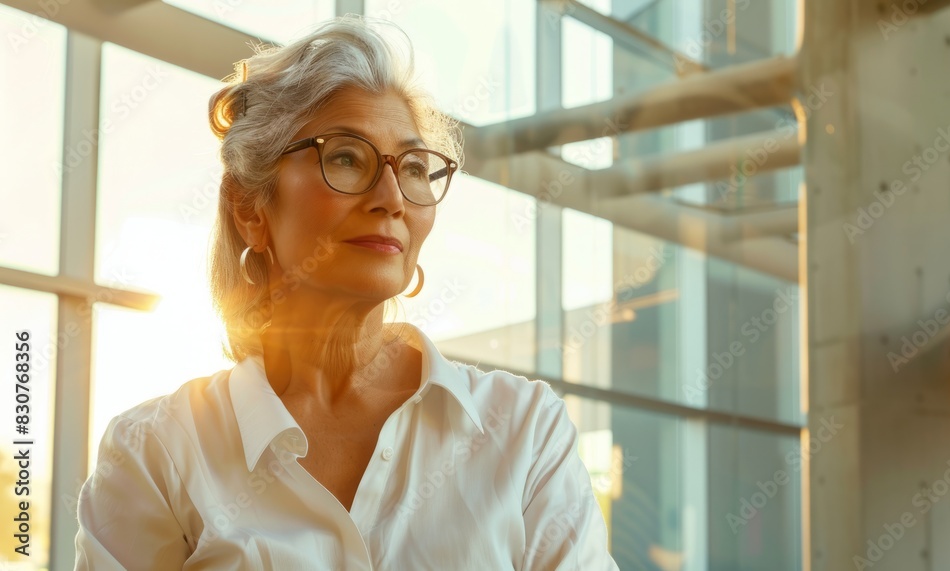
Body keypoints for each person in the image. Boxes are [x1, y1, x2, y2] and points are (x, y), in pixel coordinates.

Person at [73, 14, 619, 571]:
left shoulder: (524, 430)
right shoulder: (156, 454)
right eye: (344, 158)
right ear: (250, 207)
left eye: (412, 167)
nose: (392, 198)